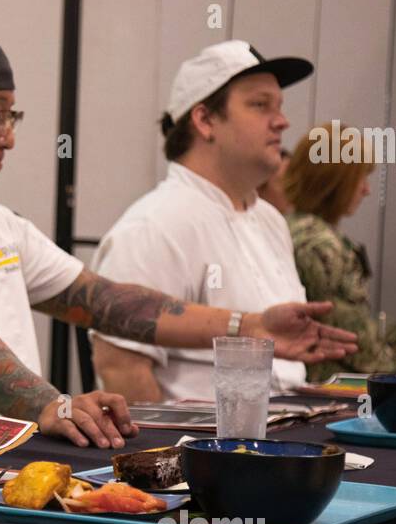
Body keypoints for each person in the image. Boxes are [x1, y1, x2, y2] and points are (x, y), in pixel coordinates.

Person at [0, 25, 356, 447]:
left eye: (13, 116)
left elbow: (98, 300)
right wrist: (51, 404)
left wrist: (250, 324)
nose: (7, 137)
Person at [92, 40, 319, 402]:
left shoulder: (270, 220)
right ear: (205, 120)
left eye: (279, 106)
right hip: (204, 450)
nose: (282, 121)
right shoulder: (155, 226)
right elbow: (121, 368)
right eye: (260, 105)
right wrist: (166, 456)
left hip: (282, 434)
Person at [283, 123, 396, 383]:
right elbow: (351, 336)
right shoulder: (319, 245)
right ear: (334, 182)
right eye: (360, 179)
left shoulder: (294, 228)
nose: (366, 190)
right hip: (334, 386)